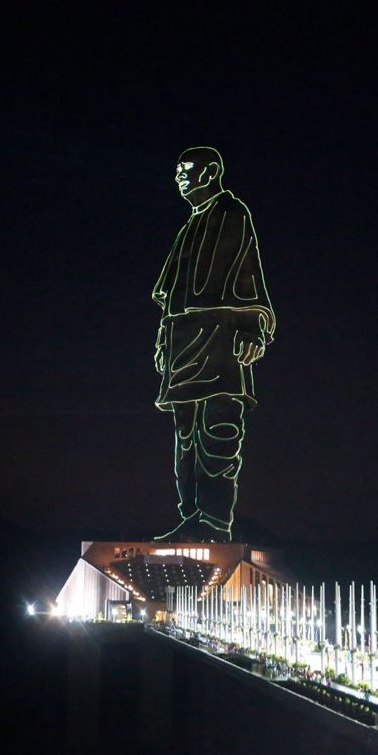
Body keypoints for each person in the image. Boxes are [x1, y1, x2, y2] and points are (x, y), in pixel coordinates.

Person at [152, 147, 276, 542]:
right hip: (182, 342)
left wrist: (253, 328)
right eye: (177, 171)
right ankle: (190, 515)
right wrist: (162, 339)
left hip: (220, 341)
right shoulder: (190, 225)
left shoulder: (232, 213)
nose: (180, 178)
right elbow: (170, 293)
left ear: (211, 172)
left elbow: (247, 276)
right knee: (185, 438)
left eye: (187, 170)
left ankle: (215, 521)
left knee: (218, 434)